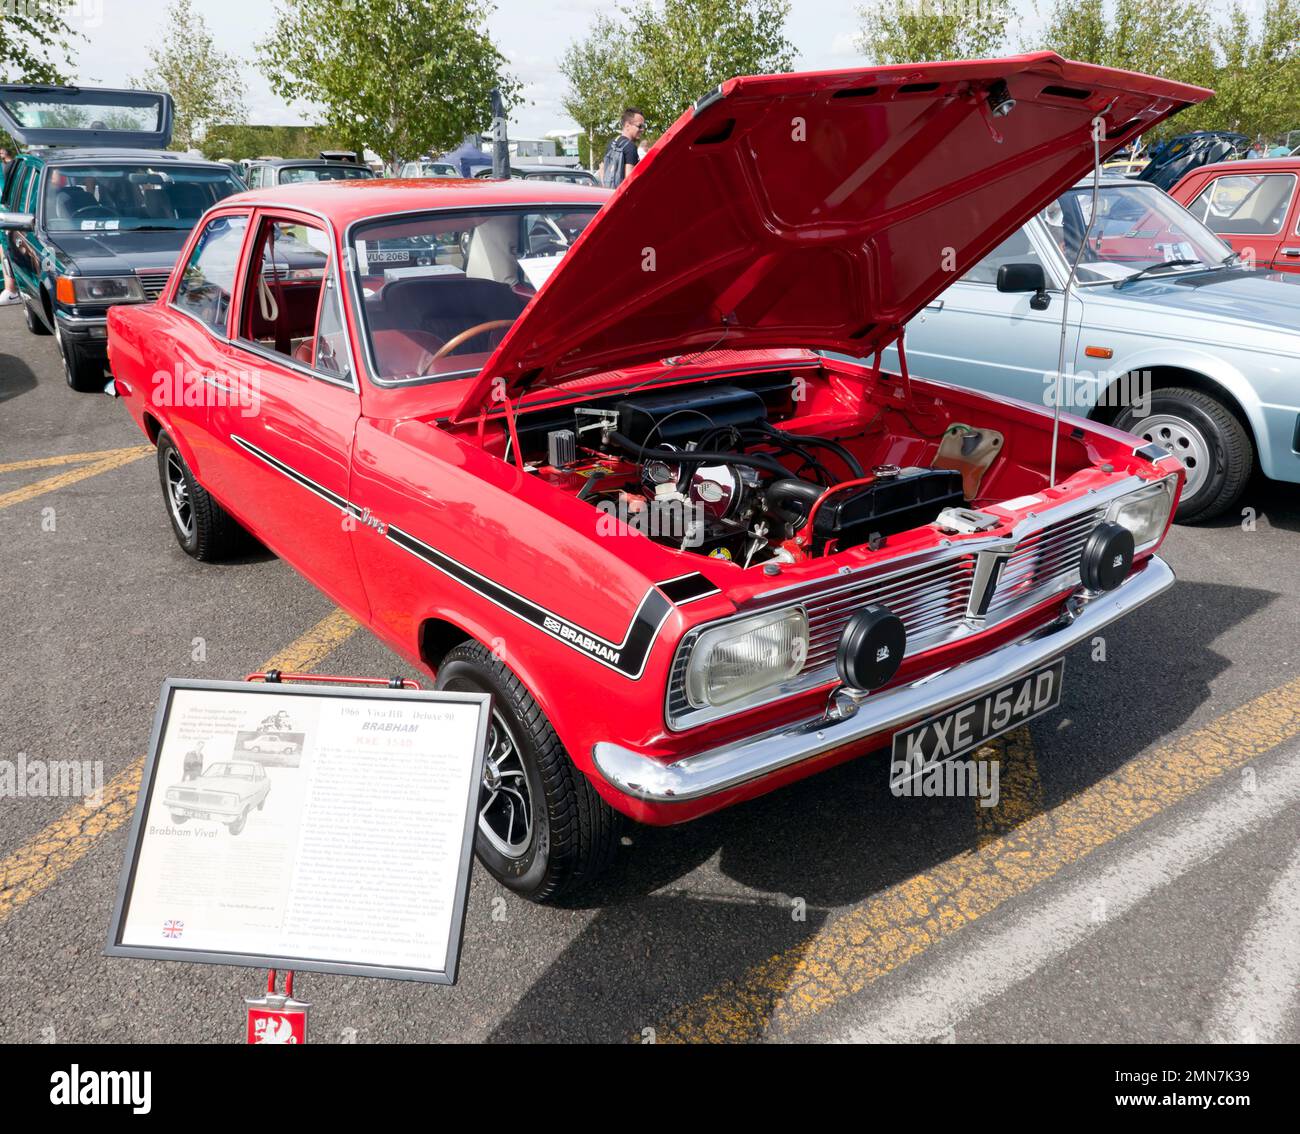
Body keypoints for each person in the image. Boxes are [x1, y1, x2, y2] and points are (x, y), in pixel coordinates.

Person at [600, 107, 646, 189]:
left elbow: (602, 167)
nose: (642, 129)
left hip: (609, 194)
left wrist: (605, 187)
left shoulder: (611, 143)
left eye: (644, 126)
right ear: (627, 126)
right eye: (640, 126)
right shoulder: (630, 147)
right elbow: (629, 180)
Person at [0, 145, 20, 306]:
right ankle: (11, 288)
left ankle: (12, 288)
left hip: (9, 211)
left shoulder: (11, 166)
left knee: (7, 246)